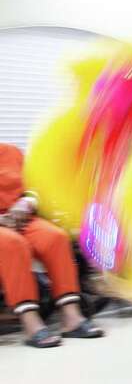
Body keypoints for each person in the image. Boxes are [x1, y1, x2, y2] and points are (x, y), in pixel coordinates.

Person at [0, 143, 103, 348]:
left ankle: (71, 318)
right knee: (13, 244)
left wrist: (26, 203)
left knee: (55, 238)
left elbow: (34, 189)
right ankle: (31, 323)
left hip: (21, 218)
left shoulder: (11, 152)